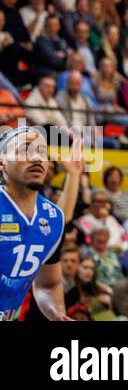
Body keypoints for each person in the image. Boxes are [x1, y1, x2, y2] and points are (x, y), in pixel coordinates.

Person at [0, 127, 69, 320]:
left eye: (42, 152)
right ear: (2, 162)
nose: (36, 158)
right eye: (25, 150)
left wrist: (56, 313)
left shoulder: (54, 218)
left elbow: (49, 284)